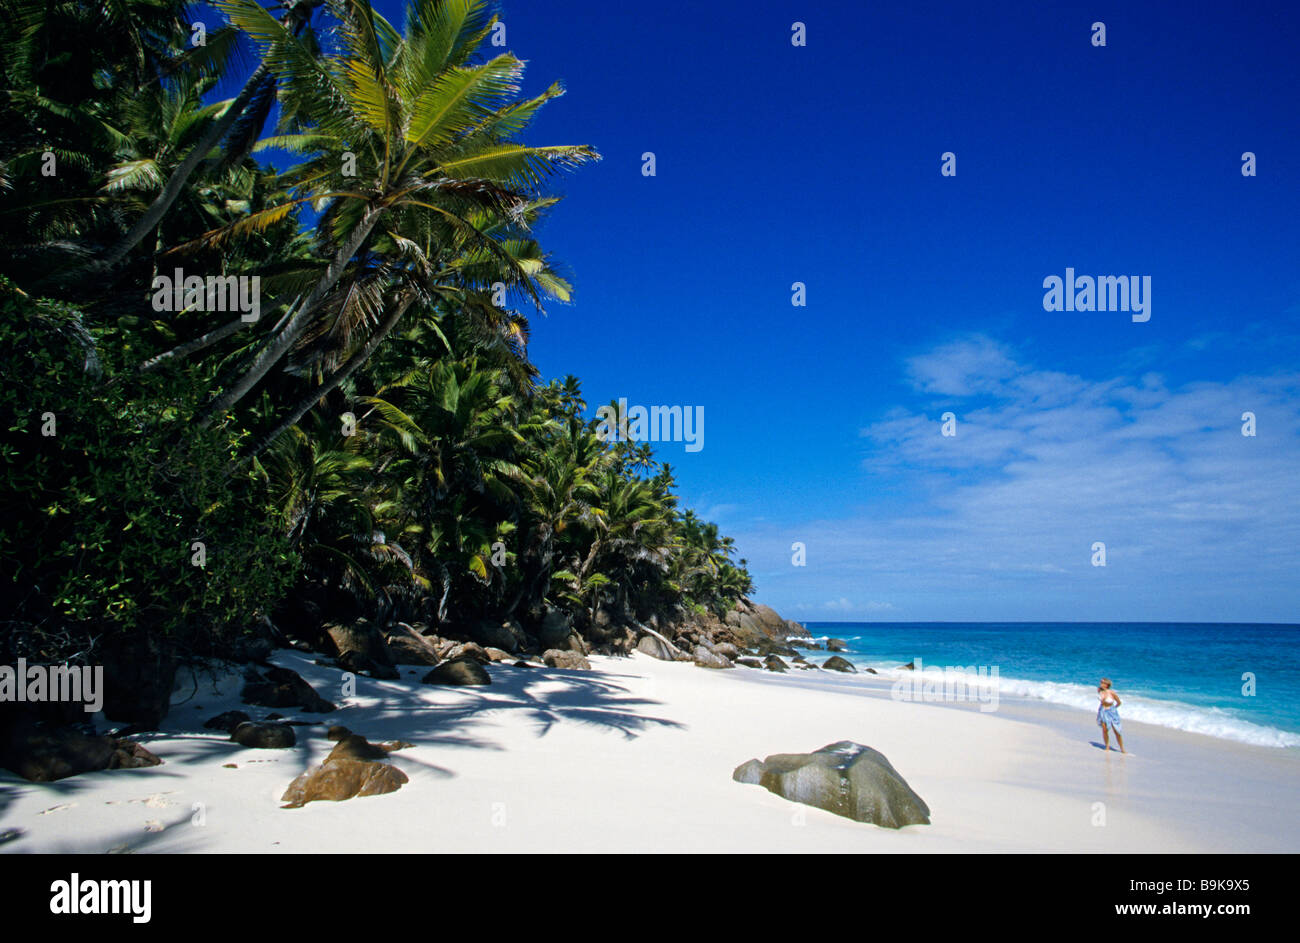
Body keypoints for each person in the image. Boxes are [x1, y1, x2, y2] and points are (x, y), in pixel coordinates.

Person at [1096, 678, 1125, 753]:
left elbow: (1119, 702)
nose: (1101, 684)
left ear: (1107, 685)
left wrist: (1113, 709)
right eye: (1101, 682)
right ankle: (1107, 746)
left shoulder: (1112, 693)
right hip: (1103, 711)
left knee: (1117, 731)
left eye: (1103, 683)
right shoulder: (1100, 691)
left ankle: (1122, 749)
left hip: (1111, 711)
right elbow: (1101, 700)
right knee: (1105, 730)